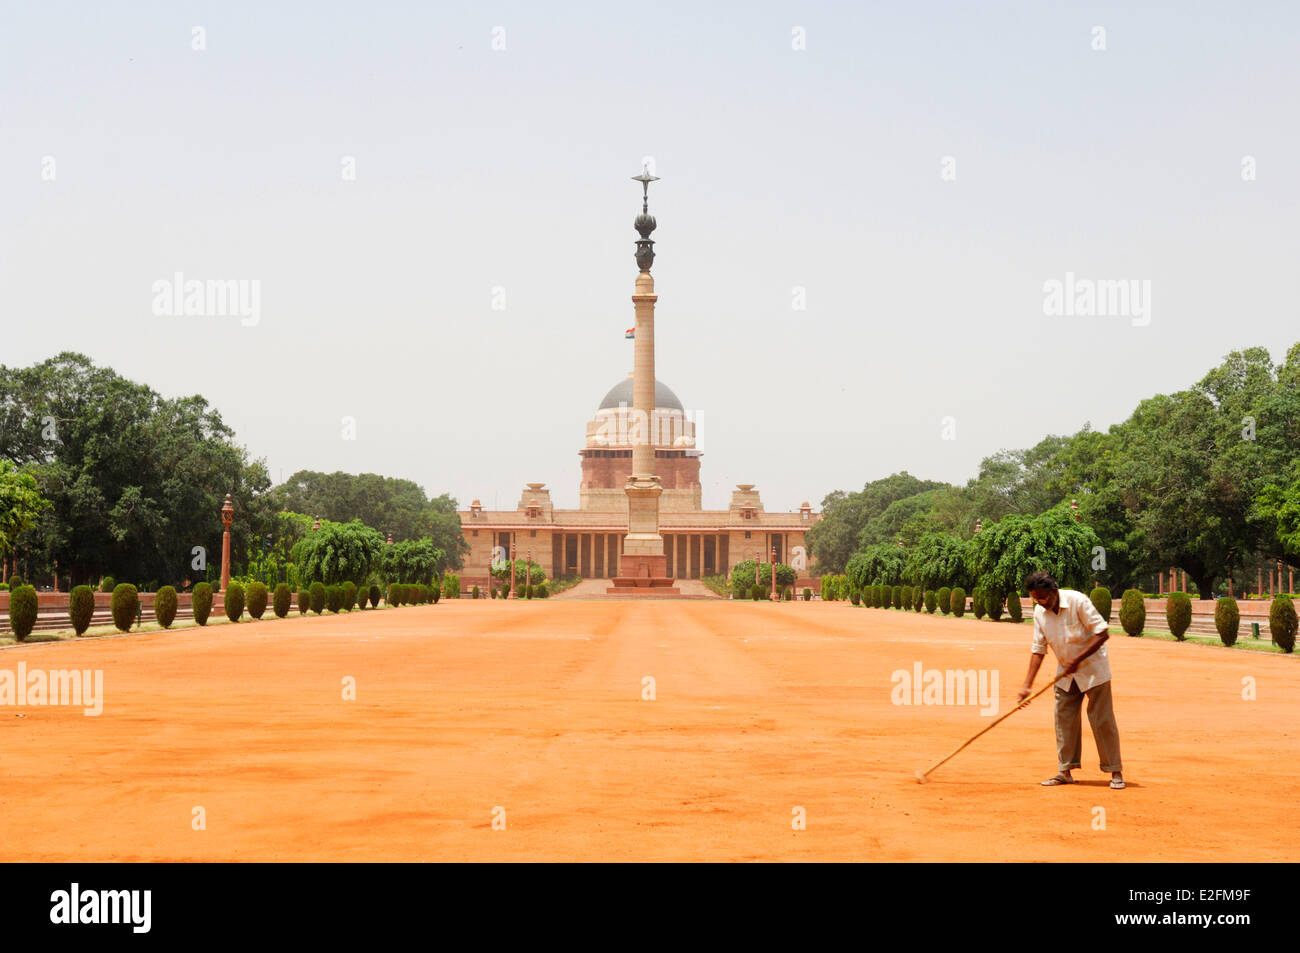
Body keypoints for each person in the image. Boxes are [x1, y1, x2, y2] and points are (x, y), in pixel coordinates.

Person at [1015, 570, 1125, 789]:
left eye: (1042, 597)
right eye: (1035, 598)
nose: (1039, 602)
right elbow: (1038, 649)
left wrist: (1078, 659)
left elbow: (1102, 633)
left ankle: (1115, 772)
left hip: (1094, 672)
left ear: (1054, 591)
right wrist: (1026, 686)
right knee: (1063, 720)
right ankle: (1064, 771)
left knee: (1101, 720)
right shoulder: (1040, 612)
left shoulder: (1077, 601)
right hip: (1065, 675)